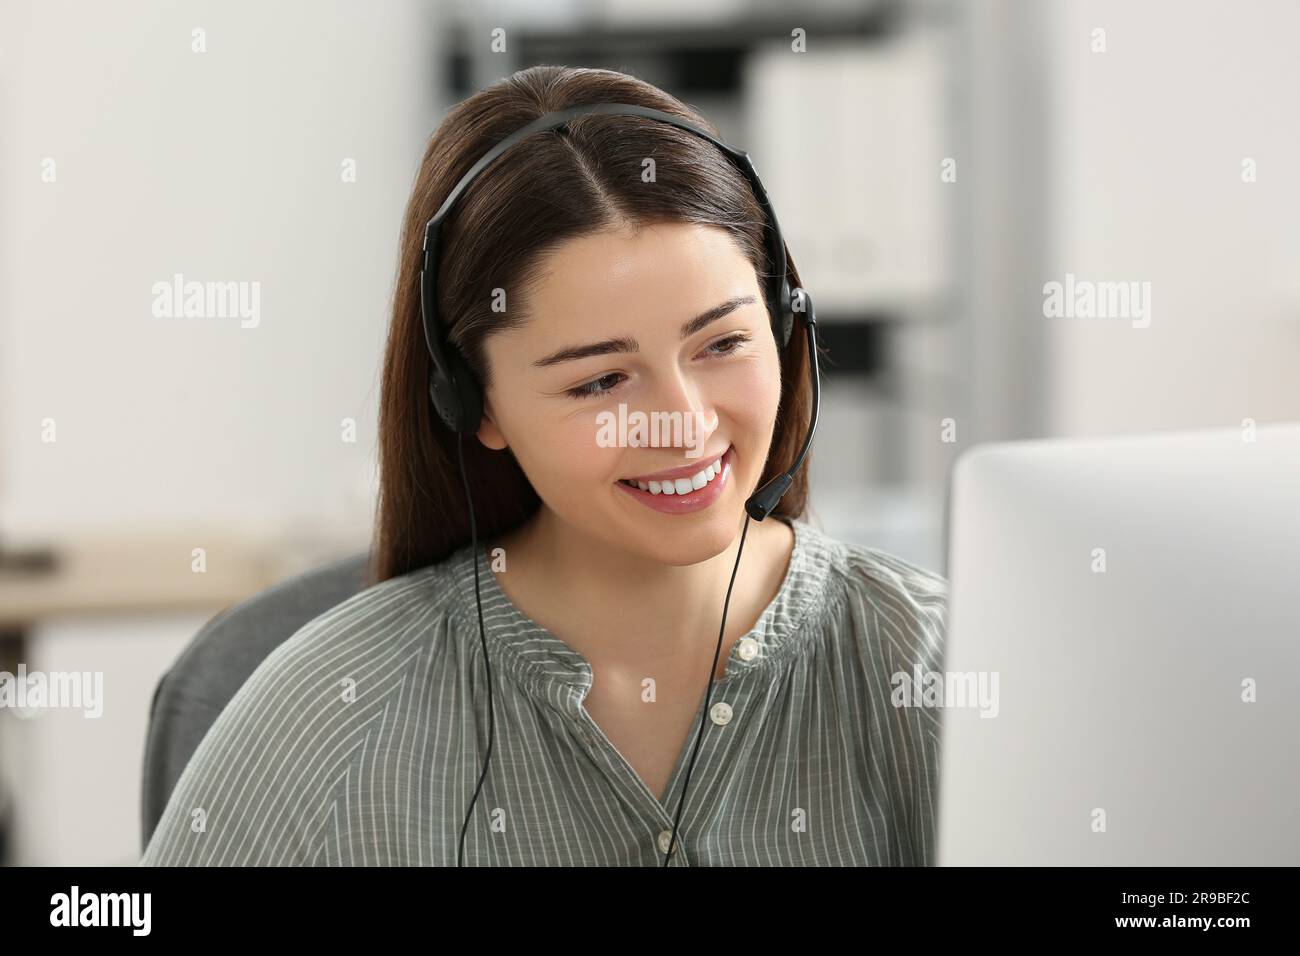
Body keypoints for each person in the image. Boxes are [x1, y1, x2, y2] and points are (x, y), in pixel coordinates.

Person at [140, 65, 947, 867]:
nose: (687, 423)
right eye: (600, 380)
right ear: (474, 404)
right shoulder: (326, 714)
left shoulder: (939, 669)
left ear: (781, 326)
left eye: (723, 342)